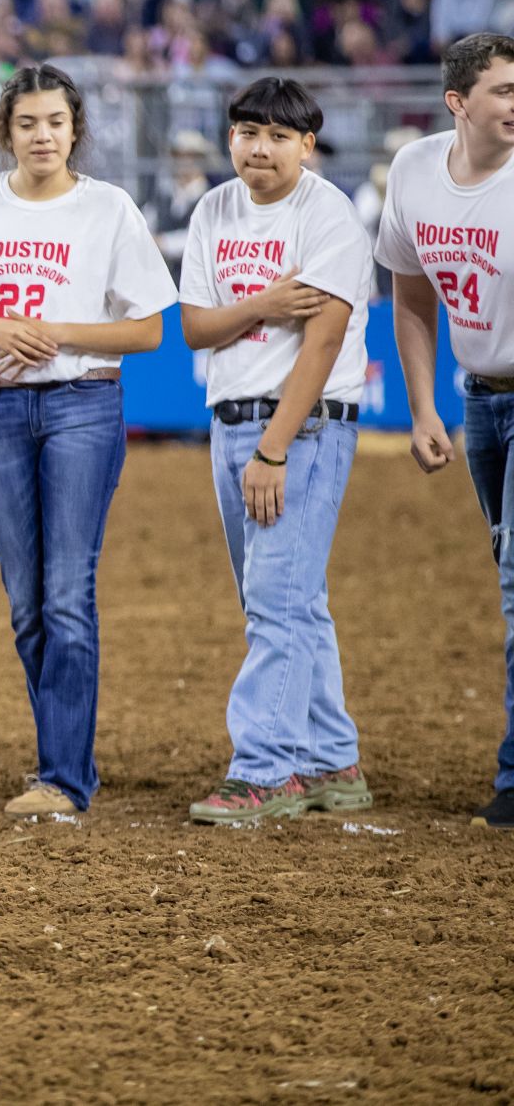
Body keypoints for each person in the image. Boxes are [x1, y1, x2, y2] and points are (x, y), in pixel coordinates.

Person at [0, 63, 178, 816]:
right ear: (6, 132)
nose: (42, 136)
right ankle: (62, 759)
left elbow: (149, 328)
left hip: (82, 406)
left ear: (75, 128)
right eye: (26, 123)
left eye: (55, 122)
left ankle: (62, 776)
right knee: (27, 606)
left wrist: (54, 332)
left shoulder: (108, 209)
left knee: (64, 595)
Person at [178, 77, 376, 824]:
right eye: (246, 131)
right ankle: (331, 761)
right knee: (291, 601)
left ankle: (265, 769)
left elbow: (323, 339)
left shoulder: (328, 214)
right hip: (233, 421)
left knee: (276, 605)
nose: (258, 147)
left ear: (306, 145)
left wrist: (274, 447)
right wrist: (262, 304)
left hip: (302, 428)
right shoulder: (213, 208)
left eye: (277, 135)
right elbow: (196, 327)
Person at [377, 32, 514, 831]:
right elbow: (412, 293)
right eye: (503, 91)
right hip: (480, 402)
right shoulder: (416, 171)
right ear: (458, 103)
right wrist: (423, 407)